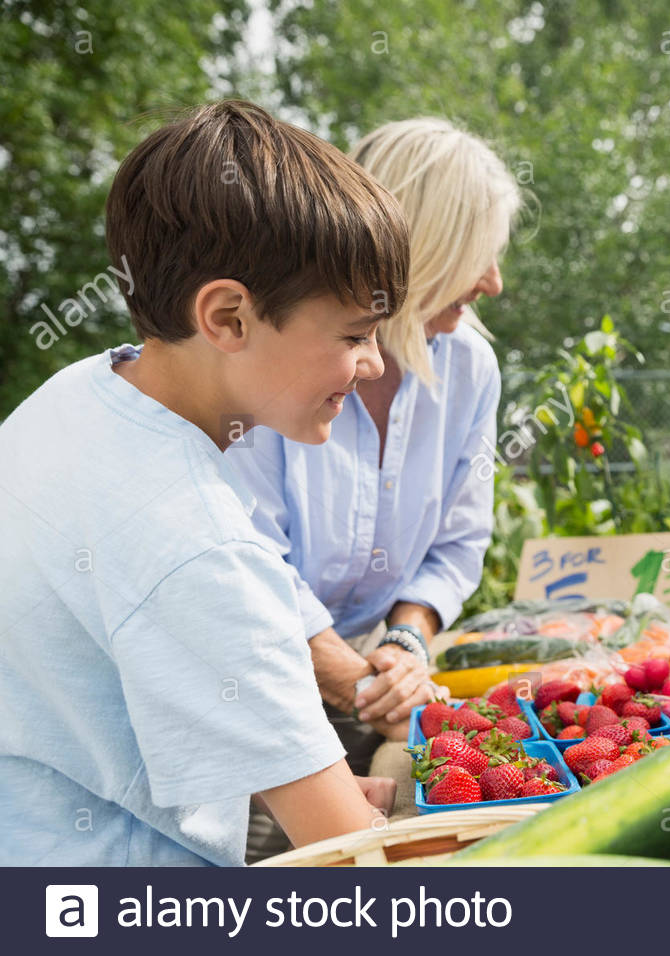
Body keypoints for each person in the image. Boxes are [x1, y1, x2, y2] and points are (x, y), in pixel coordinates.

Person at [0, 101, 409, 865]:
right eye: (354, 334)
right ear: (227, 318)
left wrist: (290, 773)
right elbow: (357, 864)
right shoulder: (200, 544)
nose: (375, 364)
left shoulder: (76, 398)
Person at [228, 118, 521, 856]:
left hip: (366, 662)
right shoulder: (278, 357)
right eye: (476, 255)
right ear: (417, 251)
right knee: (270, 857)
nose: (493, 282)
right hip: (253, 663)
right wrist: (351, 678)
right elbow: (247, 554)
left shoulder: (471, 368)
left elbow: (457, 542)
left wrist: (404, 640)